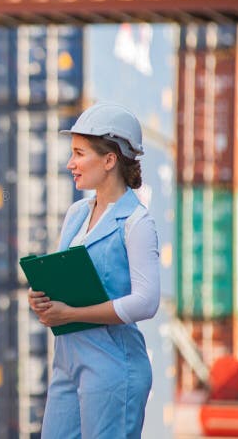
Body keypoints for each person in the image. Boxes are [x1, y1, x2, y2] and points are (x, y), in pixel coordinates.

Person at [28, 103, 160, 439]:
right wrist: (44, 300)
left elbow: (146, 303)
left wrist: (71, 312)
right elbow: (67, 279)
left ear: (109, 159)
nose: (70, 163)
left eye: (78, 153)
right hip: (68, 362)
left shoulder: (136, 222)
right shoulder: (76, 214)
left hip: (114, 368)